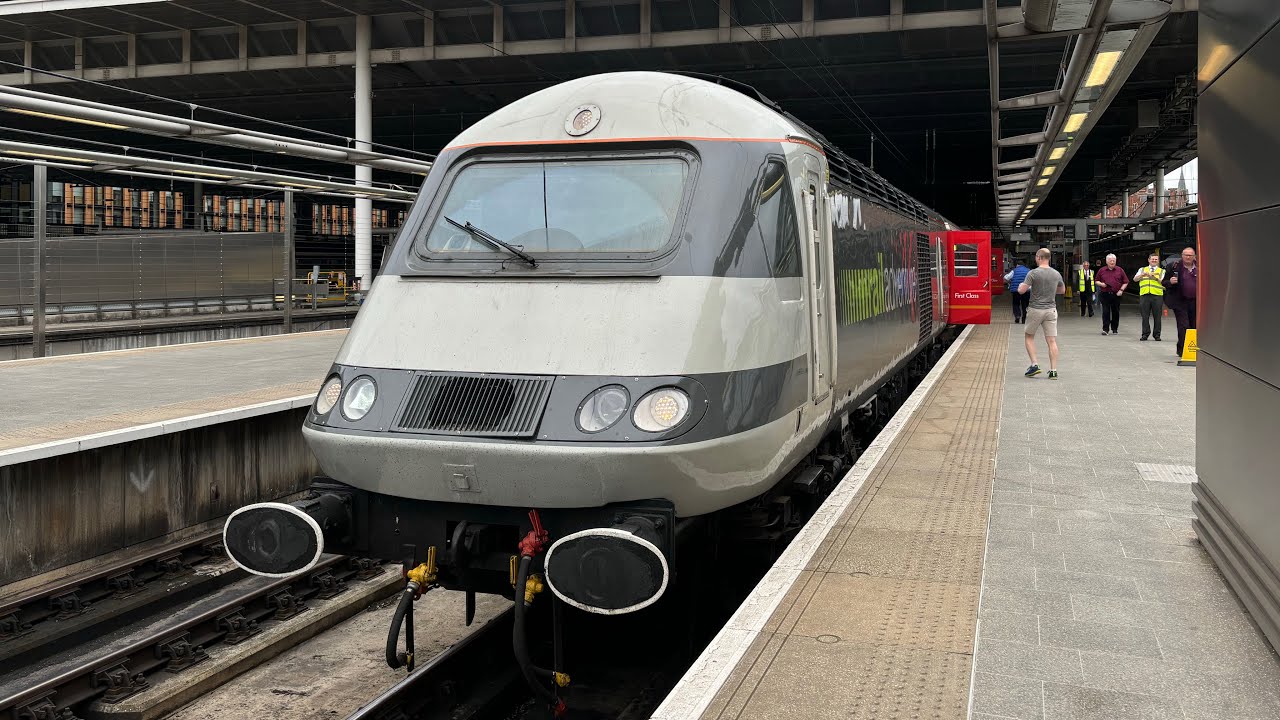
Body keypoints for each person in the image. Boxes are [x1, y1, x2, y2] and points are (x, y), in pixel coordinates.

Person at [1018, 247, 1066, 379]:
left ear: (1038, 258)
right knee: (1051, 341)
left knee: (1029, 337)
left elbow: (1021, 291)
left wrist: (1021, 286)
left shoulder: (1033, 273)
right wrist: (1050, 291)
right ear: (1049, 258)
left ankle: (1035, 365)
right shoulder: (1056, 274)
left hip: (1035, 310)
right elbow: (1062, 291)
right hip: (1051, 310)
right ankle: (1053, 371)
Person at [1163, 246, 1198, 355]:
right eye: (1185, 255)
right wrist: (1170, 282)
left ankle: (1191, 349)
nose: (1188, 257)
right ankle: (1182, 350)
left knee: (1194, 325)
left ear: (1194, 256)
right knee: (1184, 325)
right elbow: (1163, 282)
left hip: (1195, 302)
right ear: (1182, 256)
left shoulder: (1200, 267)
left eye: (1190, 255)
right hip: (1180, 302)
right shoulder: (1174, 266)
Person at [1093, 253, 1129, 336]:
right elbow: (1096, 280)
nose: (1112, 262)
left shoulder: (1120, 270)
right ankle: (1105, 329)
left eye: (1114, 260)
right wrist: (1101, 284)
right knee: (1105, 312)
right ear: (1106, 261)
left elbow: (1126, 282)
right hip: (1105, 294)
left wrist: (1121, 290)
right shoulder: (1101, 270)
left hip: (1116, 294)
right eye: (1110, 261)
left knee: (1115, 312)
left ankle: (1114, 328)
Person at [1134, 253, 1165, 341]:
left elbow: (1163, 282)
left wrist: (1155, 277)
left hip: (1157, 296)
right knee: (1145, 316)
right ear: (1149, 260)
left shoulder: (1162, 271)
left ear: (1158, 261)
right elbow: (1135, 279)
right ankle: (1145, 334)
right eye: (1152, 259)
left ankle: (1157, 335)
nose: (1154, 260)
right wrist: (1142, 275)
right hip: (1145, 295)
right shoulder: (1142, 269)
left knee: (1157, 317)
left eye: (1156, 259)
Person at [1004, 258, 1031, 323]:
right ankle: (1024, 318)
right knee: (1025, 304)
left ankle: (1017, 315)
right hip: (1026, 290)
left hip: (1016, 290)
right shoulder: (1028, 271)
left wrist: (1010, 282)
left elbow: (1006, 278)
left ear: (1017, 265)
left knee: (1016, 303)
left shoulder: (1014, 270)